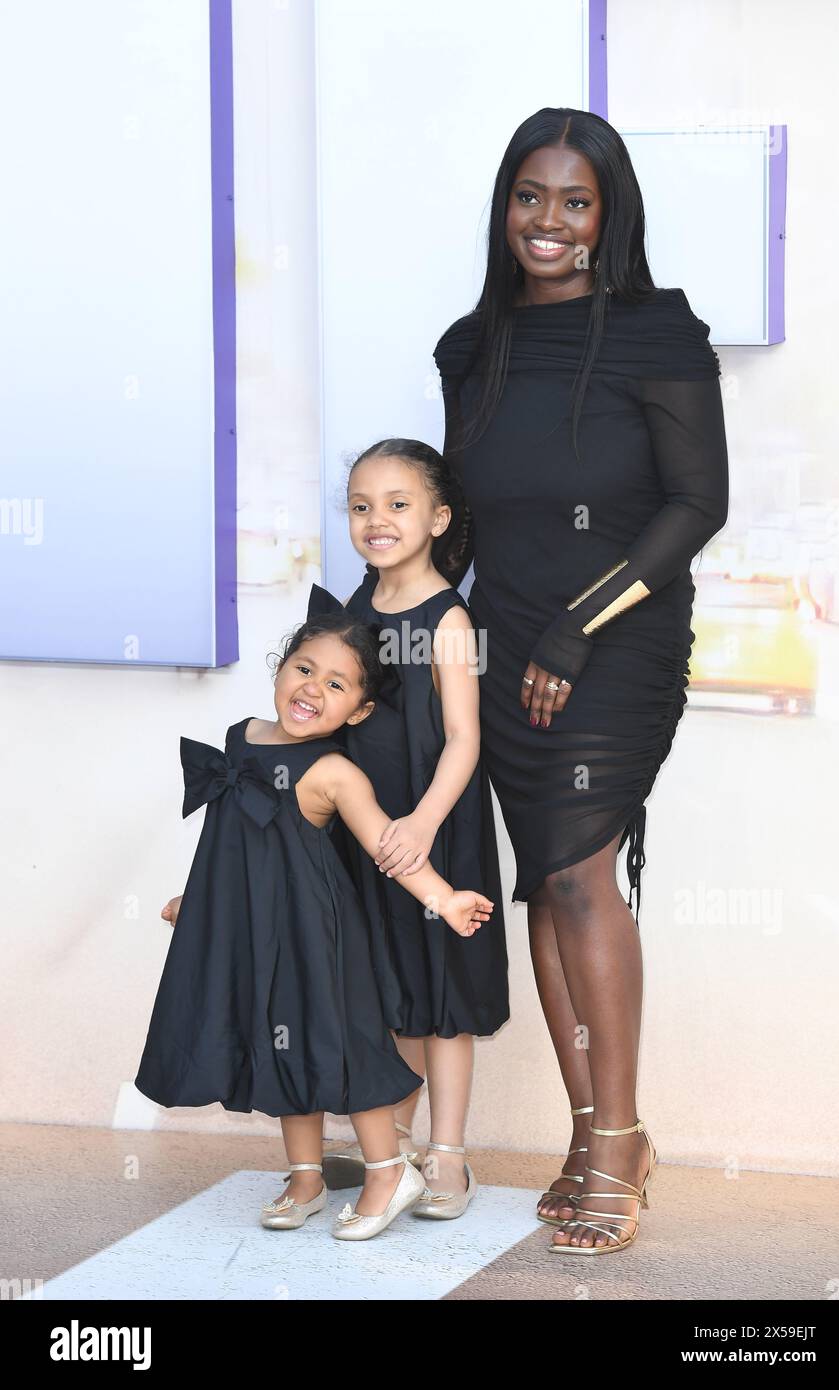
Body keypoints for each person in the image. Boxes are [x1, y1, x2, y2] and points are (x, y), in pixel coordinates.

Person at [432, 107, 729, 1254]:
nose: (545, 222)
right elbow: (468, 517)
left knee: (578, 873)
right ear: (504, 205)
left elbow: (693, 503)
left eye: (573, 201)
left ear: (607, 216)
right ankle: (592, 1128)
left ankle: (619, 1144)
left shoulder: (654, 331)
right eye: (527, 196)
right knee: (544, 888)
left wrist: (573, 629)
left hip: (614, 646)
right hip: (507, 644)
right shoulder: (471, 346)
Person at [134, 611, 494, 1241]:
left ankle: (389, 1171)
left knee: (345, 1050)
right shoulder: (240, 738)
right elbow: (229, 840)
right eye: (305, 670)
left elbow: (388, 844)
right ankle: (304, 1177)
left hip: (314, 938)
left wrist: (444, 898)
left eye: (337, 685)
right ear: (280, 668)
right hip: (252, 932)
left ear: (358, 711)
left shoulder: (336, 773)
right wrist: (196, 899)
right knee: (281, 1049)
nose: (312, 689)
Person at [309, 439, 509, 1219]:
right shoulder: (352, 612)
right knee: (387, 986)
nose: (376, 520)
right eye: (361, 506)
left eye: (397, 504)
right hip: (368, 832)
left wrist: (423, 823)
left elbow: (463, 737)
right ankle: (389, 1145)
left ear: (438, 517)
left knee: (442, 994)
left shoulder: (448, 618)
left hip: (433, 827)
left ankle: (449, 1153)